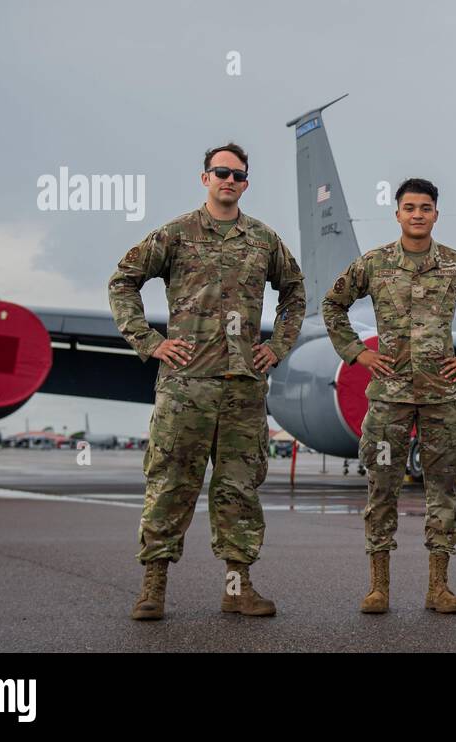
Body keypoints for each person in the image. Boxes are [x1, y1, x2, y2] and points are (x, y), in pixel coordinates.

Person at [109, 142, 305, 620]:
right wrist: (150, 342)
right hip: (185, 387)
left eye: (237, 175)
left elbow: (296, 294)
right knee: (171, 484)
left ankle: (238, 590)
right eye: (221, 172)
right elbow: (122, 282)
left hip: (243, 389)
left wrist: (277, 346)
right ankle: (153, 589)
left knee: (238, 490)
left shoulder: (263, 240)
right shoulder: (175, 234)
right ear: (205, 179)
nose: (229, 180)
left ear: (246, 183)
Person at [322, 178, 456, 614]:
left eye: (425, 207)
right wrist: (357, 354)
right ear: (397, 213)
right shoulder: (375, 264)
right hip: (388, 397)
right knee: (381, 488)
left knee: (442, 491)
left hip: (441, 396)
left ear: (436, 214)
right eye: (409, 207)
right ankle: (378, 587)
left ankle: (439, 587)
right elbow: (332, 304)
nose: (417, 214)